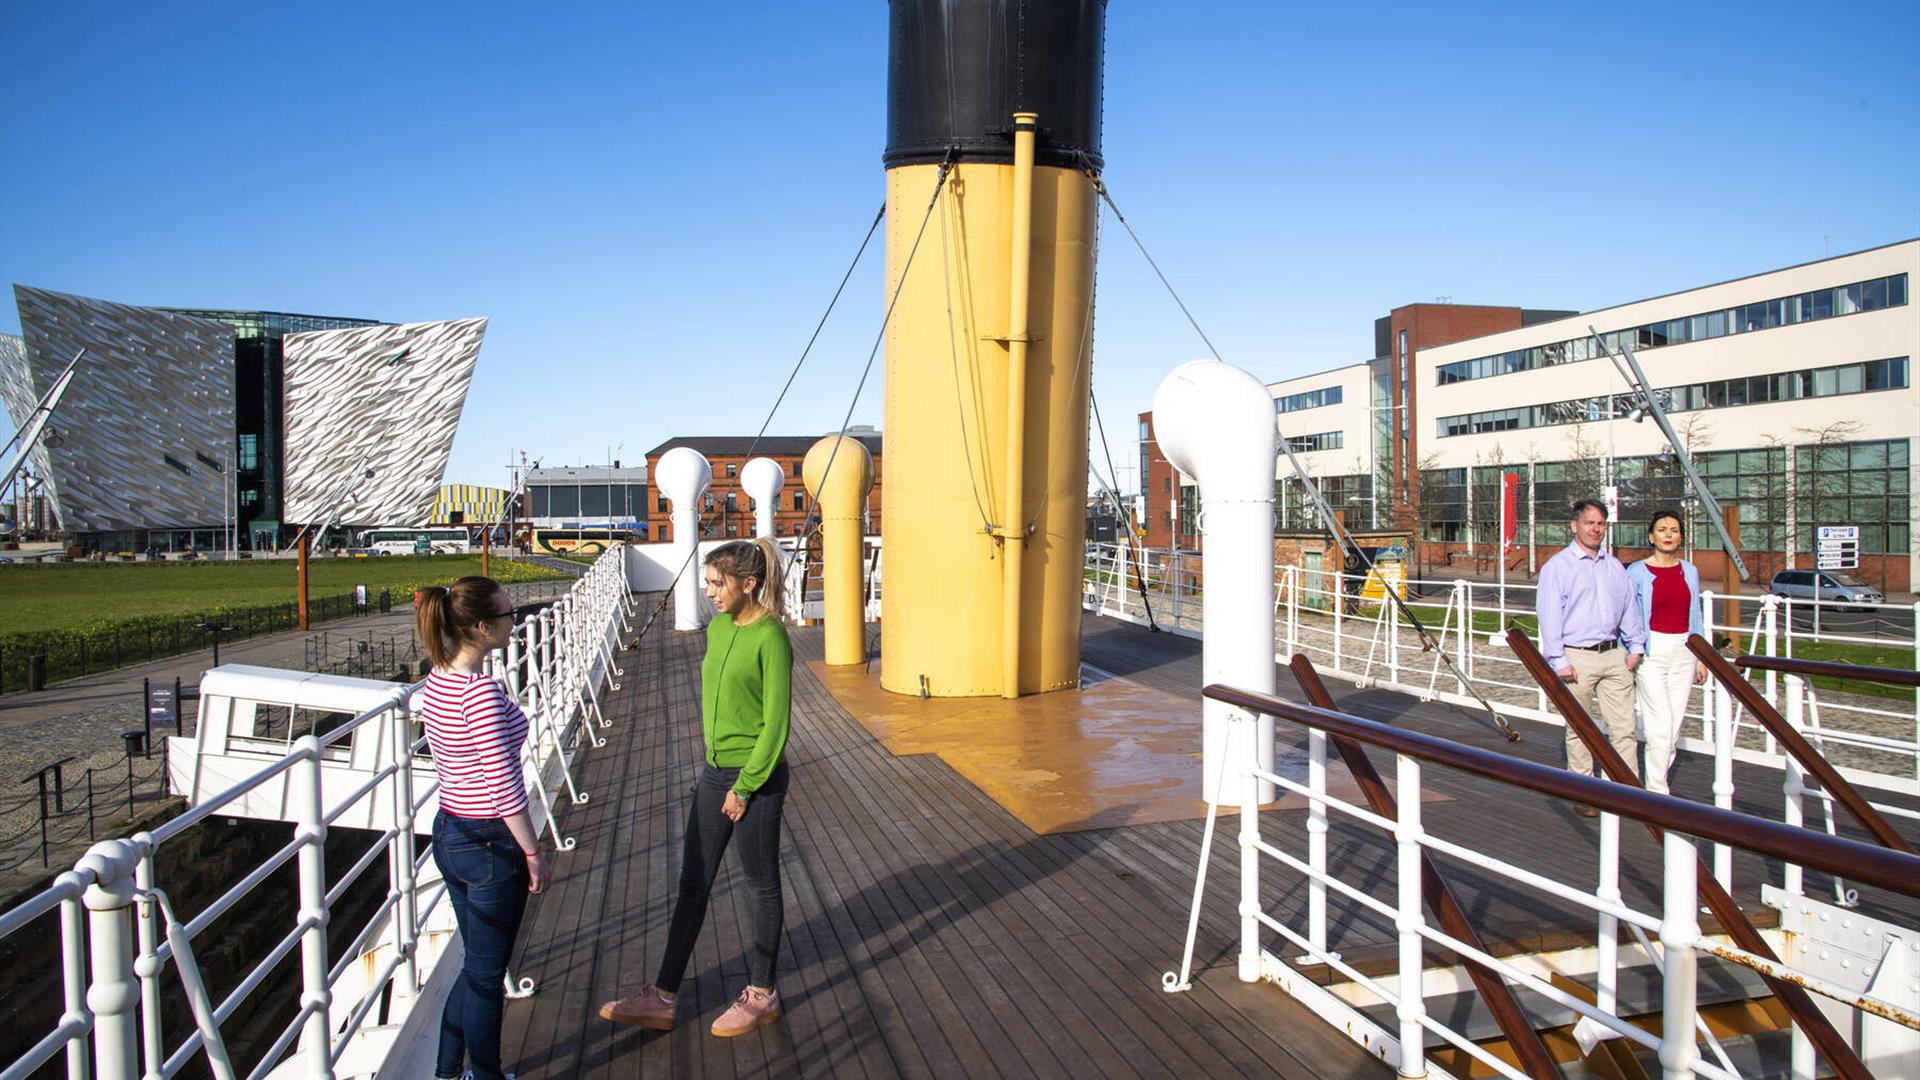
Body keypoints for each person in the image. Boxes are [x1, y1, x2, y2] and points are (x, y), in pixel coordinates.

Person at [599, 537, 792, 1037]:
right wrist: (718, 775)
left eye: (716, 583)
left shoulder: (770, 637)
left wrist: (746, 787)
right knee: (693, 884)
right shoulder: (721, 628)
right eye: (706, 582)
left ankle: (763, 992)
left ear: (748, 584)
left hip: (757, 779)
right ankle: (662, 996)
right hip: (714, 774)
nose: (709, 592)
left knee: (759, 884)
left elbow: (775, 725)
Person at [417, 576, 550, 1080]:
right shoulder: (480, 696)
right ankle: (487, 1075)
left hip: (450, 830)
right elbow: (503, 789)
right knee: (487, 975)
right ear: (480, 626)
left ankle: (449, 1071)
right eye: (506, 615)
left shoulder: (437, 681)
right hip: (490, 843)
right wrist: (533, 852)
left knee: (476, 965)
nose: (514, 622)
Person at [1536, 499, 1646, 816]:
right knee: (1580, 728)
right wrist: (1558, 660)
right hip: (1577, 656)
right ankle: (1585, 793)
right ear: (1575, 526)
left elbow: (1628, 609)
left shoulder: (1614, 567)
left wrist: (1635, 647)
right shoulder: (1558, 567)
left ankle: (1627, 792)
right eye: (1589, 523)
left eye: (1600, 524)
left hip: (1613, 654)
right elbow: (1549, 616)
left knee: (1624, 727)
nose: (1595, 529)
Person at [1626, 510, 1707, 795]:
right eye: (1662, 529)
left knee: (1674, 726)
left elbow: (1695, 613)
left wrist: (1700, 657)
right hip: (1652, 651)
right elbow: (1630, 615)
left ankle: (1657, 780)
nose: (1669, 534)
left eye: (1674, 530)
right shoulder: (1636, 572)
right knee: (1660, 722)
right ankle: (1658, 791)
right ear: (1651, 536)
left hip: (1684, 650)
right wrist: (1632, 650)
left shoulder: (1690, 571)